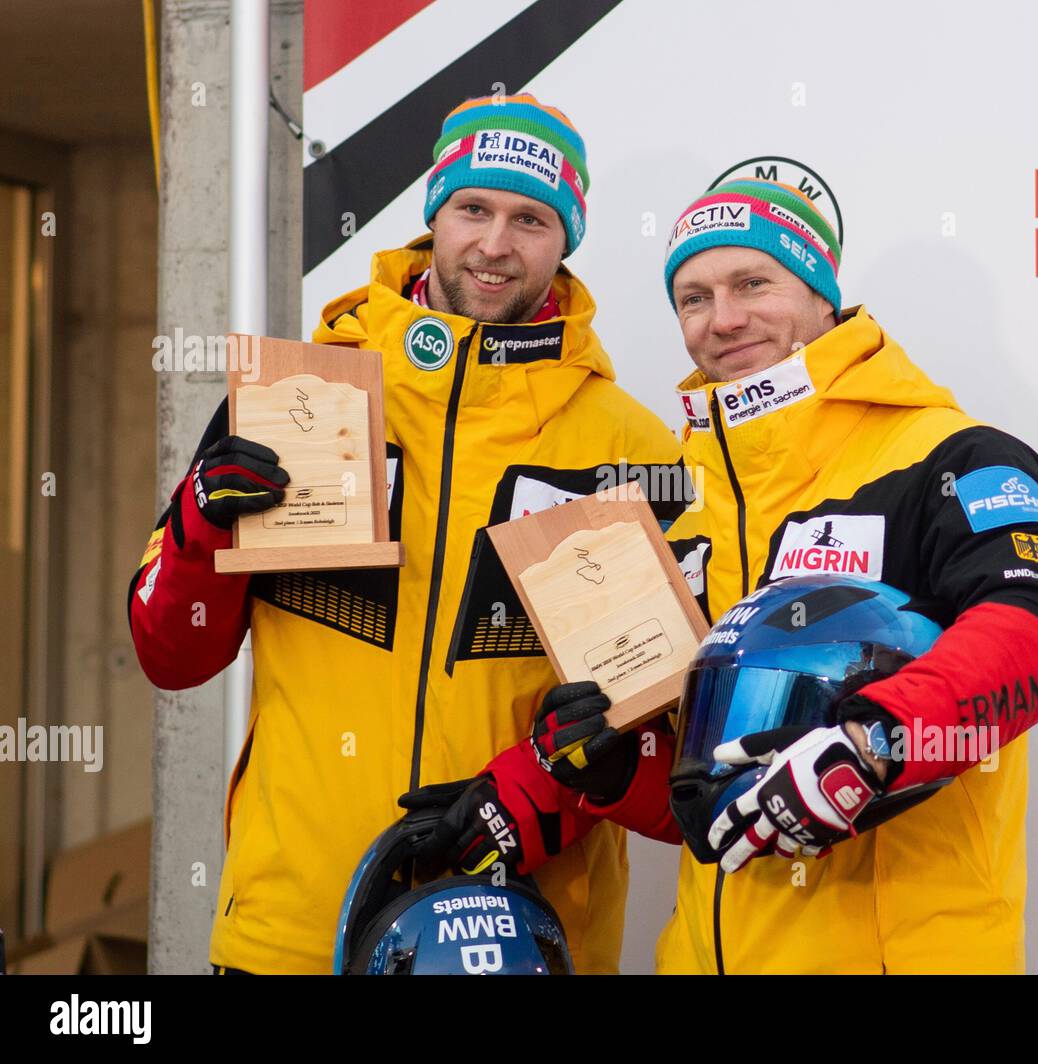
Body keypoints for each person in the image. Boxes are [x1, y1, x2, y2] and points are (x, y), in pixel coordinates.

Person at [127, 94, 685, 974]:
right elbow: (173, 657)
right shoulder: (301, 400)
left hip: (523, 943)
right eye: (474, 208)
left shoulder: (626, 448)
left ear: (565, 239)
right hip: (288, 934)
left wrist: (546, 797)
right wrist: (200, 526)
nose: (495, 244)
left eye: (530, 220)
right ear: (434, 215)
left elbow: (661, 762)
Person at [533, 176, 1038, 974]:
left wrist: (874, 744)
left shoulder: (953, 454)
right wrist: (623, 769)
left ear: (822, 295)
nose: (723, 319)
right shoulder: (685, 506)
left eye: (752, 283)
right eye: (693, 298)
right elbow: (719, 795)